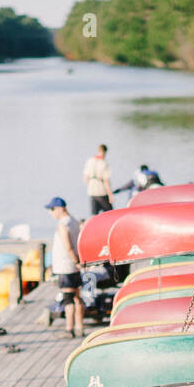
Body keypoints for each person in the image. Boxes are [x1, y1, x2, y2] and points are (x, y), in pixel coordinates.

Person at [46, 197, 85, 336]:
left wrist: (75, 262)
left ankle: (69, 329)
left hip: (66, 266)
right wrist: (79, 263)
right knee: (77, 297)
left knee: (68, 299)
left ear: (60, 208)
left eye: (52, 209)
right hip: (74, 266)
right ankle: (80, 327)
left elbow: (68, 246)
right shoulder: (75, 222)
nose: (51, 213)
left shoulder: (63, 225)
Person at [83, 144, 114, 215]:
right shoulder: (104, 163)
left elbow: (85, 178)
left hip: (92, 192)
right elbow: (106, 181)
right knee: (110, 213)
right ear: (105, 152)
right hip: (101, 192)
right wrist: (110, 195)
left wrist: (90, 186)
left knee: (94, 215)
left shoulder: (90, 161)